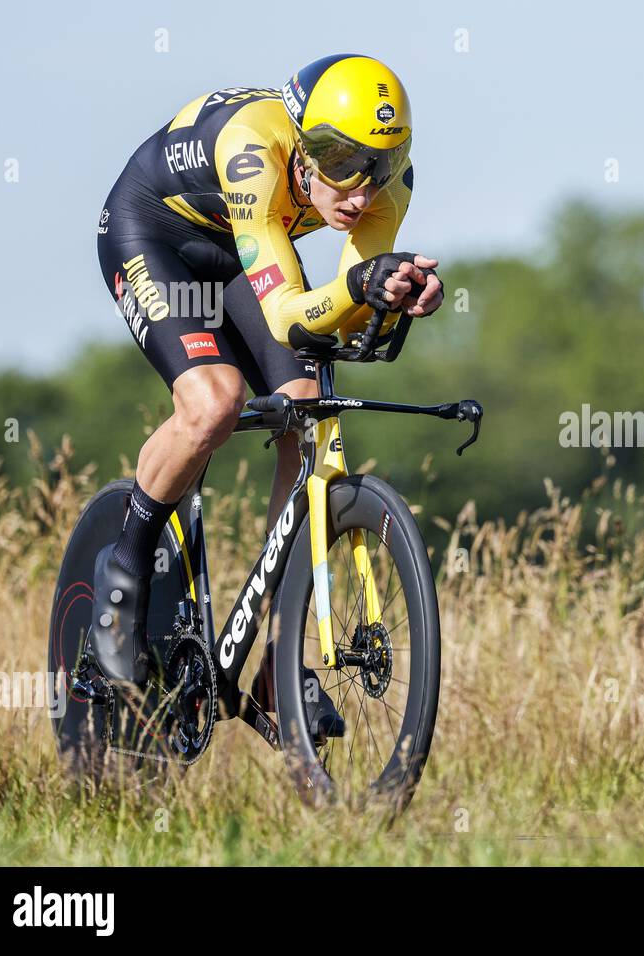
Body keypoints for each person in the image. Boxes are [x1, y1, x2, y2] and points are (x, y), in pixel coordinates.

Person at [89, 54, 444, 740]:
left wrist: (392, 299)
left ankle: (278, 660)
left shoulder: (385, 184)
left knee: (306, 409)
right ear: (304, 147)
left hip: (244, 246)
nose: (360, 192)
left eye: (378, 163)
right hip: (154, 230)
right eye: (341, 163)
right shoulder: (255, 147)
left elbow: (348, 308)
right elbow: (288, 314)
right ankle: (124, 568)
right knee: (214, 401)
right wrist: (360, 287)